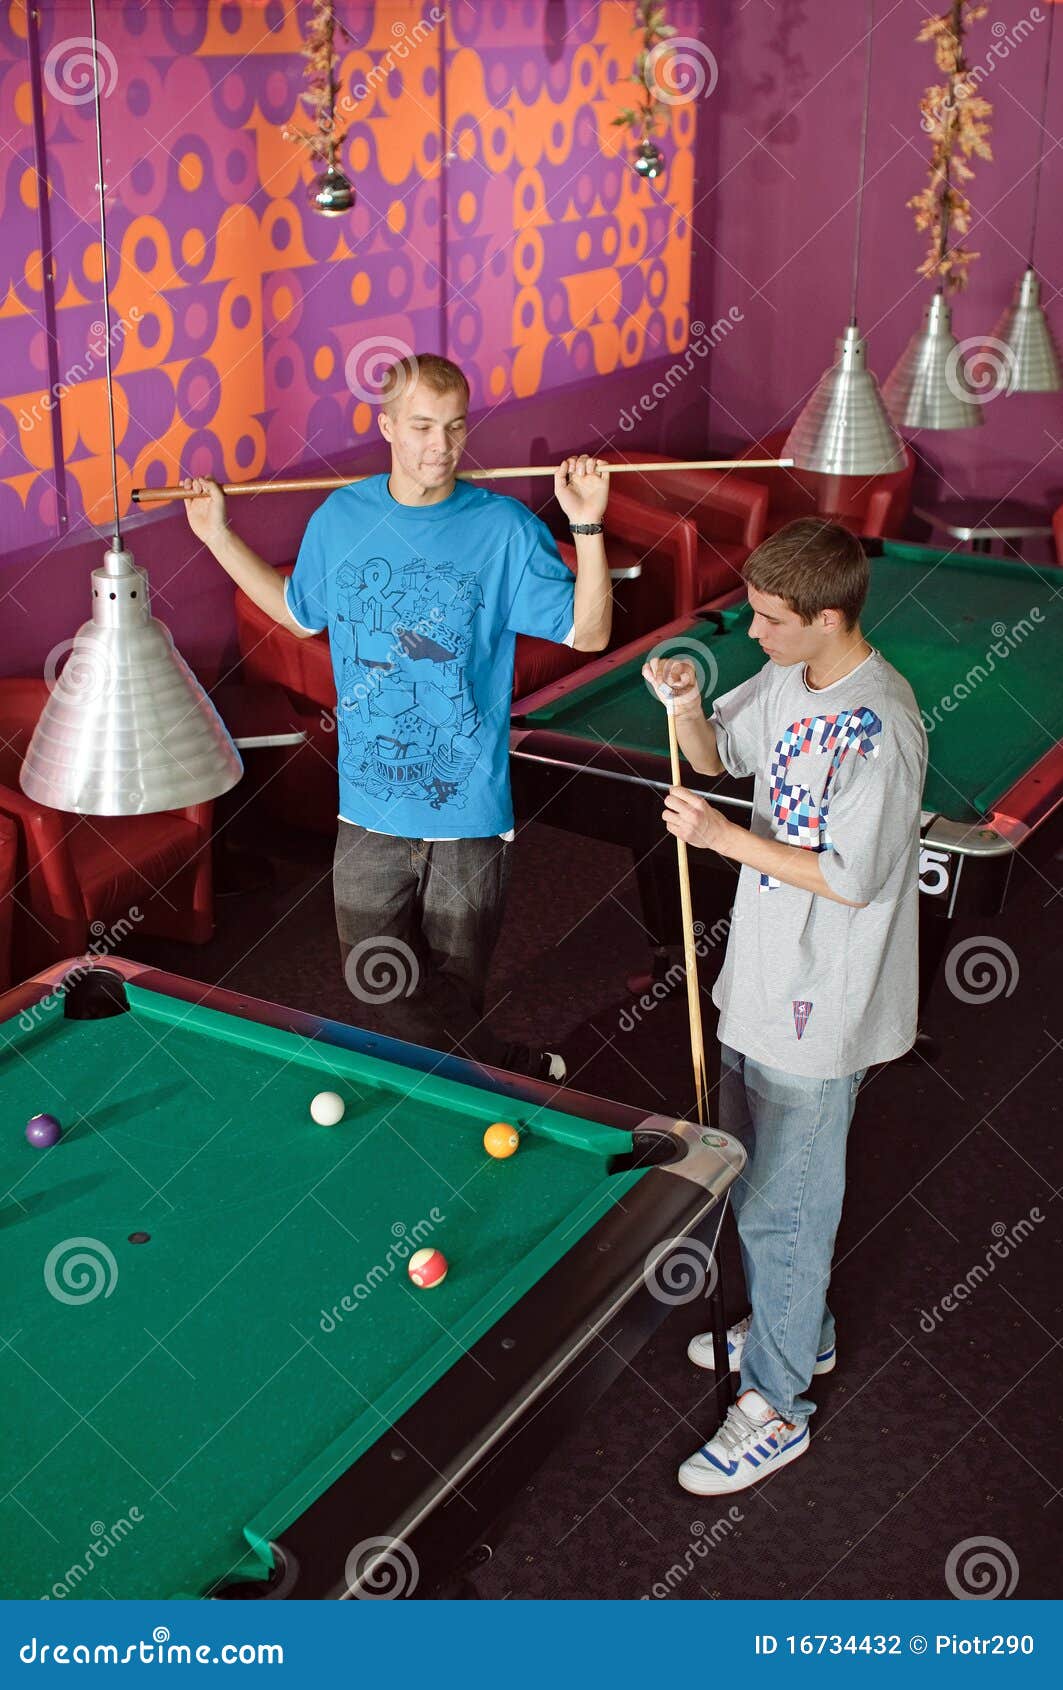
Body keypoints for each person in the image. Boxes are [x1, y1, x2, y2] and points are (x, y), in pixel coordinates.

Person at [183, 352, 612, 1076]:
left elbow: (591, 632)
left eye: (452, 427)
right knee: (373, 978)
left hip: (468, 803)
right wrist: (216, 535)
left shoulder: (503, 529)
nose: (438, 447)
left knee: (454, 986)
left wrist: (589, 528)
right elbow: (295, 613)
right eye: (419, 426)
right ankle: (505, 1068)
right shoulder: (341, 517)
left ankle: (463, 1124)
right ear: (385, 425)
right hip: (371, 798)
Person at [643, 517, 926, 1494]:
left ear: (829, 616)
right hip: (759, 984)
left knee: (785, 1210)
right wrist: (685, 706)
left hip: (822, 1004)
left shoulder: (880, 726)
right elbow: (720, 754)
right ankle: (799, 1331)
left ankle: (775, 1407)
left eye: (769, 620)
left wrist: (720, 841)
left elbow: (849, 879)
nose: (751, 633)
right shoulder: (789, 677)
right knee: (760, 1184)